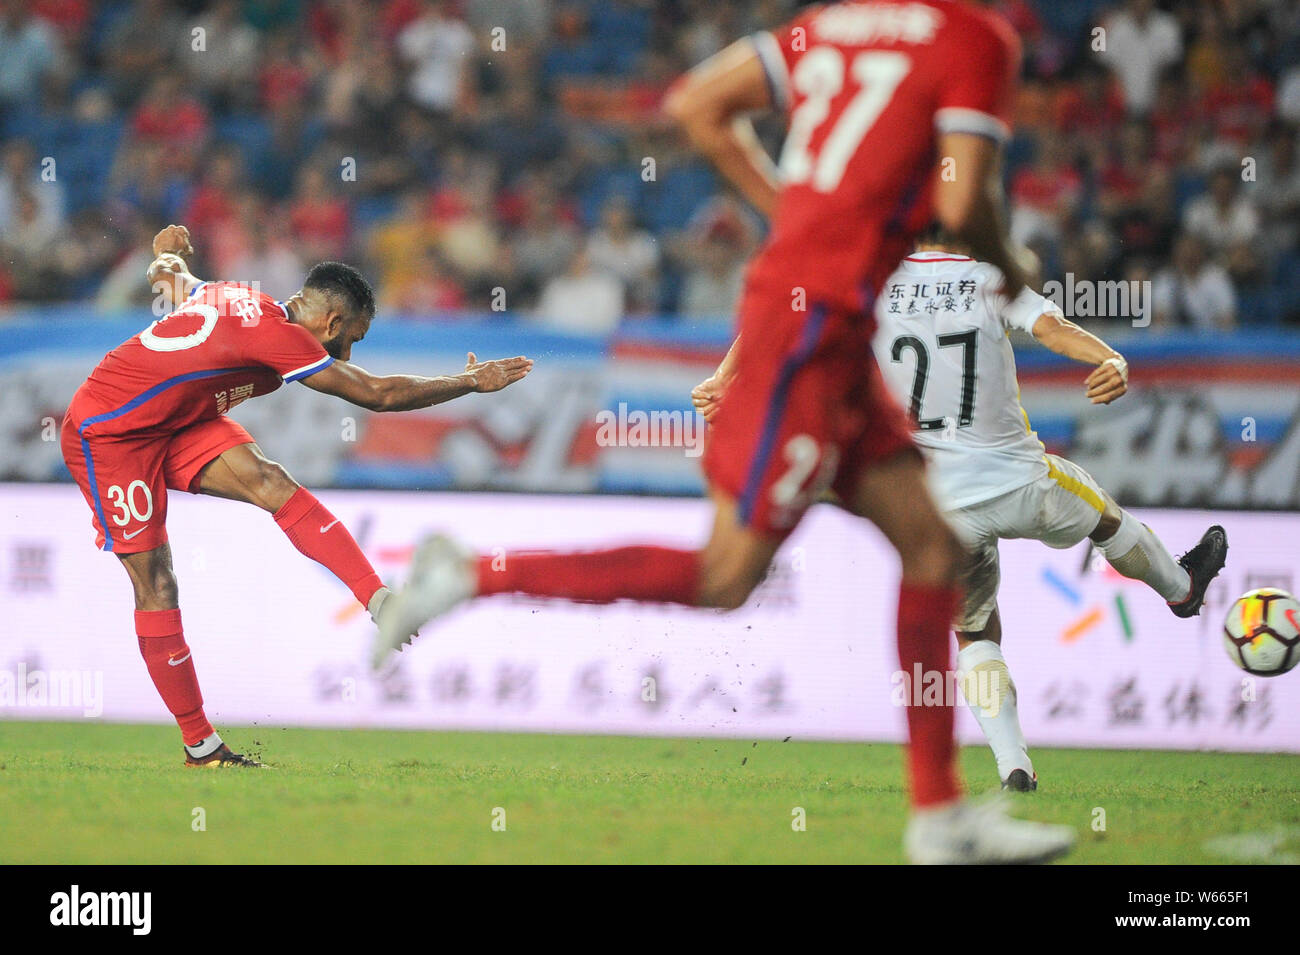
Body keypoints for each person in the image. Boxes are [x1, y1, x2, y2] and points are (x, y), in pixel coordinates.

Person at [381, 1, 1075, 864]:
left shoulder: (829, 26)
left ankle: (940, 815)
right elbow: (965, 200)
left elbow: (692, 107)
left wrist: (792, 212)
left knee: (934, 552)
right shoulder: (976, 40)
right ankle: (473, 575)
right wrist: (1009, 267)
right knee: (724, 576)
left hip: (827, 322)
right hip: (813, 334)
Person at [60, 224, 532, 767]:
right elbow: (377, 395)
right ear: (332, 322)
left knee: (270, 480)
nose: (348, 349)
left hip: (174, 421)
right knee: (157, 581)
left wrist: (165, 251)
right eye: (352, 337)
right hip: (109, 432)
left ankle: (380, 601)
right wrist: (468, 382)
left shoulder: (236, 295)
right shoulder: (278, 334)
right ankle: (201, 747)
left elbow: (174, 282)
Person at [870, 232, 1228, 789]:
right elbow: (1052, 329)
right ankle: (1182, 588)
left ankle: (1013, 763)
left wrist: (727, 379)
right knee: (1107, 518)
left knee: (975, 633)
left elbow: (787, 323)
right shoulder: (990, 277)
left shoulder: (874, 284)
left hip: (939, 503)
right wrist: (1109, 356)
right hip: (1019, 480)